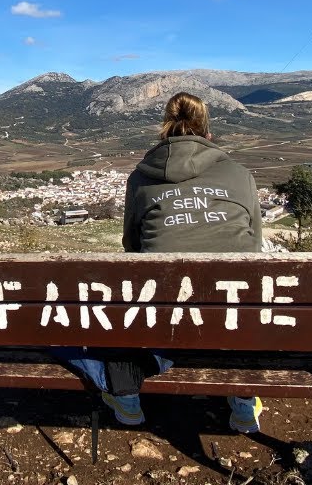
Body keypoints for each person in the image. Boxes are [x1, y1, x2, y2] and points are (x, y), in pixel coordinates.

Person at [82, 91, 266, 432]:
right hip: (232, 322)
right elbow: (253, 247)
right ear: (208, 134)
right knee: (245, 305)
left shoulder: (140, 179)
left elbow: (132, 248)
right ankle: (243, 403)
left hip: (162, 323)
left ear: (164, 132)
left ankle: (127, 398)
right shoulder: (240, 174)